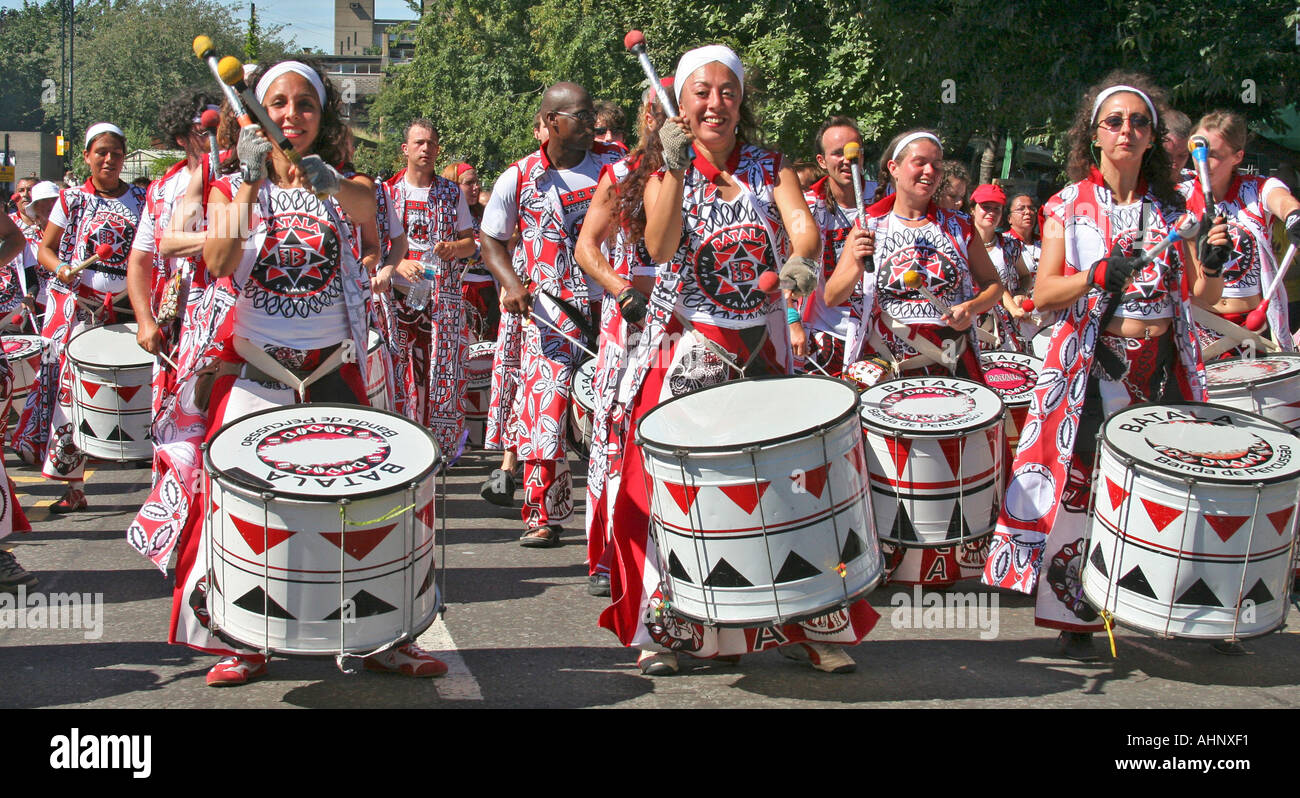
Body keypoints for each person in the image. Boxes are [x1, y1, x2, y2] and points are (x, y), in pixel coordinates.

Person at [142, 59, 444, 685]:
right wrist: (250, 185)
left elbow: (368, 212)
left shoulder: (347, 183)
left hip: (335, 372)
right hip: (256, 376)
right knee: (235, 509)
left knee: (369, 511)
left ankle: (386, 636)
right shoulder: (231, 188)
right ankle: (242, 640)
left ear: (322, 113)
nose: (291, 116)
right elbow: (222, 261)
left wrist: (327, 182)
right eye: (277, 104)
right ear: (257, 113)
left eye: (304, 104)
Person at [601, 45, 877, 676]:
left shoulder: (767, 166)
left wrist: (801, 263)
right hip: (692, 349)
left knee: (792, 488)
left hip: (767, 346)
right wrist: (672, 169)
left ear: (741, 100)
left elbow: (802, 228)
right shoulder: (664, 166)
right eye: (702, 91)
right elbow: (659, 243)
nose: (715, 104)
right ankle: (664, 632)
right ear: (684, 99)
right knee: (671, 492)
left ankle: (811, 622)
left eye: (727, 92)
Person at [982, 73, 1229, 661]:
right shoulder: (1068, 204)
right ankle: (1078, 608)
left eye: (1138, 122)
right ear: (1092, 135)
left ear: (1152, 138)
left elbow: (1203, 296)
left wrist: (1214, 263)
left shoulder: (1177, 206)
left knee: (1174, 483)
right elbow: (1042, 294)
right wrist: (1093, 277)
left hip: (1164, 365)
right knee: (1086, 485)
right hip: (1096, 366)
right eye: (1114, 122)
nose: (1127, 131)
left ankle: (1187, 607)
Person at [825, 130, 1005, 588]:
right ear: (892, 168)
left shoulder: (958, 227)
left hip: (948, 361)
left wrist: (972, 308)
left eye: (937, 165)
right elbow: (830, 295)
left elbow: (994, 286)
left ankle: (949, 564)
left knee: (947, 459)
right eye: (919, 163)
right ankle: (870, 561)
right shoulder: (867, 227)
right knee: (871, 456)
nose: (929, 172)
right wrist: (852, 257)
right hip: (885, 363)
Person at [478, 82, 622, 548]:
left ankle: (620, 513)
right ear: (553, 121)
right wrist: (511, 284)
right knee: (547, 409)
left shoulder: (613, 169)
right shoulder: (518, 178)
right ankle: (542, 514)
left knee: (613, 410)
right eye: (580, 116)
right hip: (550, 313)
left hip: (612, 306)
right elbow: (490, 239)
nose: (590, 123)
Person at [574, 79, 669, 597]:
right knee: (620, 434)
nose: (662, 119)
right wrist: (618, 287)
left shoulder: (713, 177)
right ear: (644, 117)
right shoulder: (622, 173)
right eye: (654, 111)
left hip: (690, 326)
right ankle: (614, 552)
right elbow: (587, 247)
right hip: (631, 322)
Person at [30, 123, 146, 512]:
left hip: (130, 309)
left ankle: (158, 485)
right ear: (87, 157)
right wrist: (61, 268)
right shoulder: (71, 200)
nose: (109, 159)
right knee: (73, 396)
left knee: (142, 393)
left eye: (116, 152)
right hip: (82, 309)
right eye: (101, 152)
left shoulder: (143, 200)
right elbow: (46, 249)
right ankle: (74, 488)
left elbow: (150, 255)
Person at [127, 91, 222, 455]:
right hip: (176, 323)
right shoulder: (161, 190)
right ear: (182, 137)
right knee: (177, 435)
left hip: (226, 320)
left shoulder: (237, 180)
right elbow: (141, 259)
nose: (212, 138)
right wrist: (144, 321)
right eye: (203, 130)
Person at [381, 120, 476, 458]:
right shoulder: (387, 193)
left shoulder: (451, 193)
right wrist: (397, 263)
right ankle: (396, 449)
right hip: (396, 299)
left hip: (440, 300)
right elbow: (372, 245)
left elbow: (471, 243)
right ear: (405, 149)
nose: (426, 149)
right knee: (396, 374)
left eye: (432, 144)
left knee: (440, 374)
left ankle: (438, 451)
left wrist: (454, 248)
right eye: (419, 143)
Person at [1181, 110, 1300, 355]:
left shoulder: (1257, 189)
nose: (1202, 162)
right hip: (1200, 326)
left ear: (1238, 157)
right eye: (1198, 153)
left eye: (1214, 155)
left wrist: (1293, 216)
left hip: (1255, 328)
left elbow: (1281, 199)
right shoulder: (1178, 194)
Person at [797, 116, 867, 377]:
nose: (847, 160)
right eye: (837, 153)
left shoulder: (885, 204)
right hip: (824, 335)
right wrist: (792, 322)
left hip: (873, 336)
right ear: (822, 162)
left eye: (853, 151)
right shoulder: (806, 207)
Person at [970, 183, 1029, 352]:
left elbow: (1025, 276)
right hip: (973, 327)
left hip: (1009, 331)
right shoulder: (960, 245)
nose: (991, 212)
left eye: (997, 208)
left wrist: (1020, 293)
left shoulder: (1011, 245)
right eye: (985, 207)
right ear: (973, 209)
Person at [442, 161, 498, 341]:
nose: (476, 187)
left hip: (489, 286)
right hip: (464, 286)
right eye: (469, 183)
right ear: (453, 185)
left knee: (488, 342)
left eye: (477, 182)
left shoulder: (482, 214)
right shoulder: (446, 215)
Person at [1164, 108, 1192, 182]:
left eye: (1181, 156)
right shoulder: (1136, 185)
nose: (1174, 165)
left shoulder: (1200, 184)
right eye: (1167, 155)